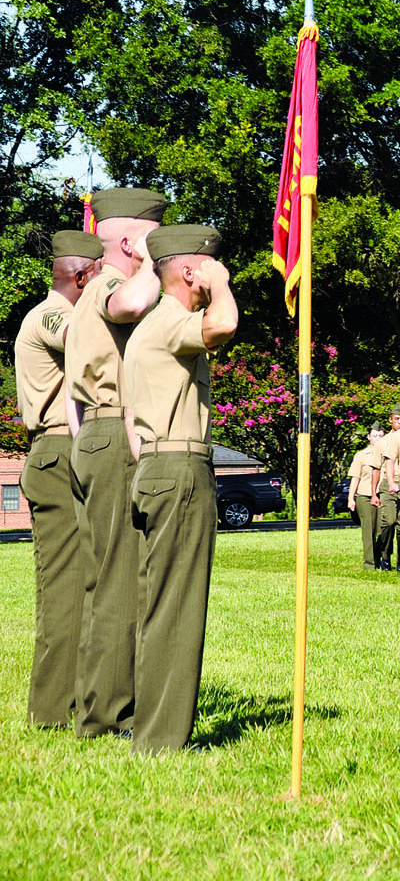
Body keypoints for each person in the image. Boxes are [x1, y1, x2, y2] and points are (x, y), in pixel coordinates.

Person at [122, 223, 238, 752]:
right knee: (177, 608)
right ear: (191, 270)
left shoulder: (149, 327)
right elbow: (223, 325)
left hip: (153, 466)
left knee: (157, 604)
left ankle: (152, 727)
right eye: (209, 263)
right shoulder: (172, 320)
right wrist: (223, 285)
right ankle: (161, 739)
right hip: (179, 470)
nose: (216, 269)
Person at [64, 186, 167, 739]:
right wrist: (154, 266)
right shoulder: (108, 282)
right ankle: (108, 716)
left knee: (106, 579)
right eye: (154, 239)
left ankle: (97, 704)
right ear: (130, 240)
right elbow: (130, 304)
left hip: (97, 433)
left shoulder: (88, 294)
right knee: (121, 581)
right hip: (113, 432)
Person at [15, 230, 102, 727]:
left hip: (71, 448)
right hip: (57, 449)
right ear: (81, 276)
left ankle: (77, 699)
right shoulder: (52, 314)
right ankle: (50, 711)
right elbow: (79, 342)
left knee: (85, 583)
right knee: (65, 587)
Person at [372, 405, 400, 571]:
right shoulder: (383, 442)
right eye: (396, 419)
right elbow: (376, 469)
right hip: (388, 484)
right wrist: (374, 493)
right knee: (389, 521)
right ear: (390, 420)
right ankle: (385, 555)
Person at [347, 428, 384, 569]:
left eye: (381, 435)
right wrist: (351, 498)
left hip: (383, 494)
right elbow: (355, 477)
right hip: (365, 495)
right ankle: (370, 563)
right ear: (369, 437)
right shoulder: (362, 455)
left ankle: (382, 559)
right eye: (375, 435)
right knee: (369, 530)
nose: (378, 438)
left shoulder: (388, 453)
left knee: (383, 529)